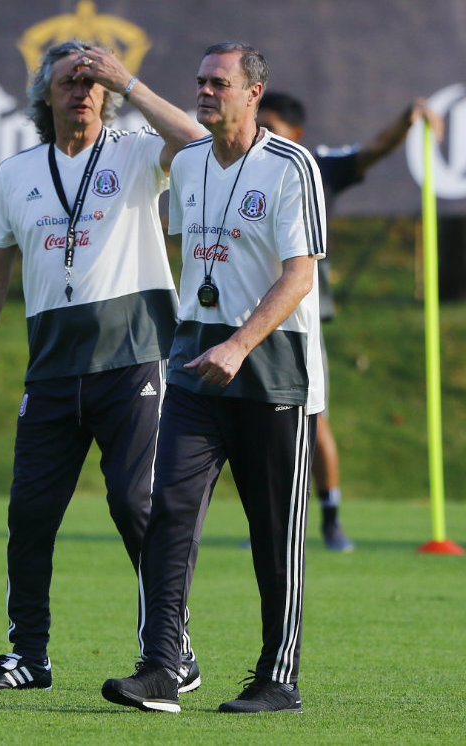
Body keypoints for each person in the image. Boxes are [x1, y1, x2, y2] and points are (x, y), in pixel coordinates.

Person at [0, 40, 207, 691]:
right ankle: (28, 655)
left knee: (135, 502)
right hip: (53, 372)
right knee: (30, 513)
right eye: (72, 79)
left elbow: (199, 141)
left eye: (97, 82)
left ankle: (172, 649)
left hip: (137, 359)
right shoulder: (16, 173)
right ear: (46, 93)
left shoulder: (136, 151)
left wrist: (133, 82)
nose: (85, 91)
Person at [101, 41, 327, 714]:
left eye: (218, 82)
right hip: (195, 365)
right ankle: (162, 667)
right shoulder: (191, 161)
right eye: (199, 80)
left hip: (271, 367)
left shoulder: (293, 166)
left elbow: (300, 275)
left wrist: (241, 343)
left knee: (272, 530)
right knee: (166, 509)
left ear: (253, 92)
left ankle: (277, 678)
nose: (205, 91)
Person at [250, 91, 444, 552]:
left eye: (272, 126)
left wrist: (406, 115)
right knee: (254, 422)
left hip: (299, 312)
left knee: (313, 417)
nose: (264, 135)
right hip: (241, 310)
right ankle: (272, 521)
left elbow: (375, 148)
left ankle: (331, 520)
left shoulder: (315, 166)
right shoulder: (239, 164)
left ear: (297, 133)